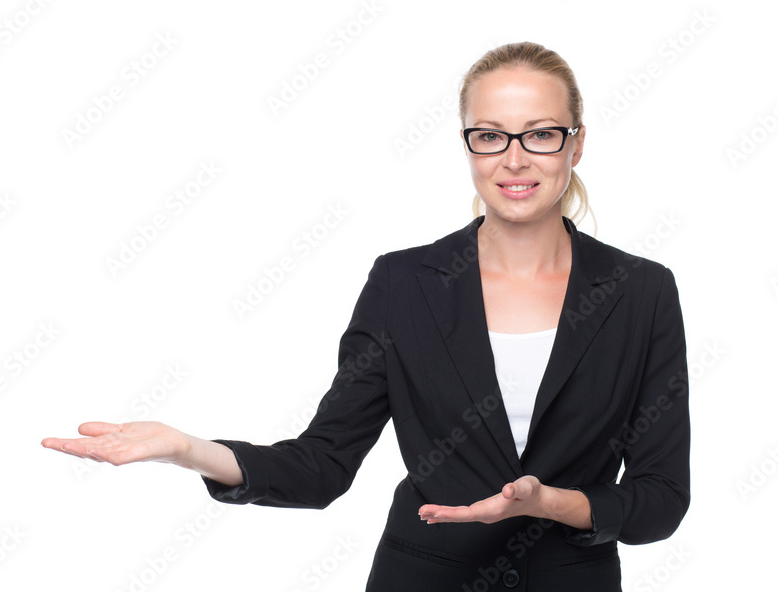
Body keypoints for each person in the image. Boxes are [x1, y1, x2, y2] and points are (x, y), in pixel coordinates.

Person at [42, 41, 691, 590]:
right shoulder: (403, 284)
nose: (514, 159)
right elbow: (322, 465)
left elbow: (661, 499)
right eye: (490, 135)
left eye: (540, 134)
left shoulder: (641, 291)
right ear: (468, 145)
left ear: (576, 144)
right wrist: (190, 450)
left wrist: (549, 502)